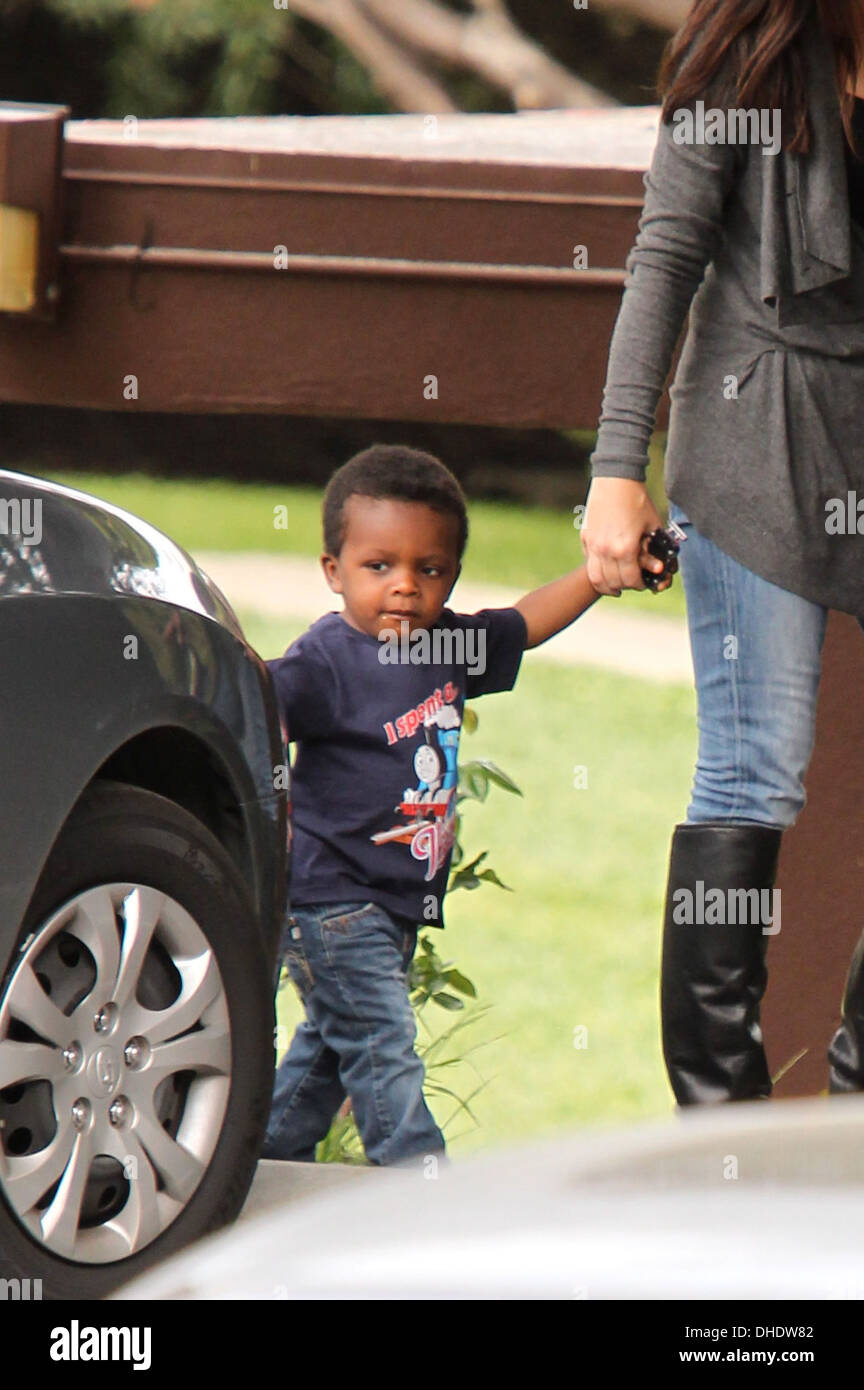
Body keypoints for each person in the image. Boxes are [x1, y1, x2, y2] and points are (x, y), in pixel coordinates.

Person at [582, 0, 864, 1104]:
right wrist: (616, 466)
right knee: (755, 764)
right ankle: (719, 1127)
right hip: (759, 426)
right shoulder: (745, 62)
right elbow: (667, 254)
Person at [260, 443, 669, 1166]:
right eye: (378, 566)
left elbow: (524, 622)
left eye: (431, 569)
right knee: (383, 1051)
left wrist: (599, 577)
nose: (405, 588)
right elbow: (253, 704)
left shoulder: (450, 645)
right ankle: (425, 1188)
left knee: (329, 1056)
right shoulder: (325, 663)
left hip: (390, 906)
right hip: (332, 901)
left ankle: (256, 1167)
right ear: (333, 570)